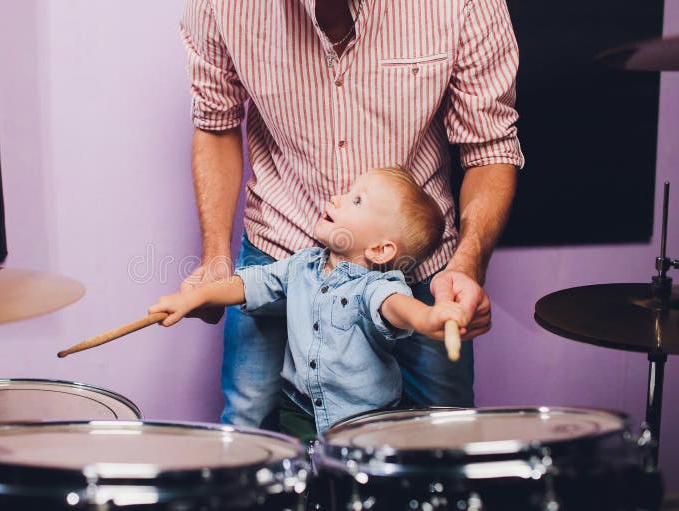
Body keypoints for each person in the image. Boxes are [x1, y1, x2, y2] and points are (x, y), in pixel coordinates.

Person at [179, 0, 524, 428]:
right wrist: (214, 259)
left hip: (422, 269)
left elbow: (489, 148)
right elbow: (216, 123)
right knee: (249, 450)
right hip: (278, 248)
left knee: (442, 451)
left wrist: (468, 264)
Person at [150, 167, 468, 440]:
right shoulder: (301, 266)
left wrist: (428, 318)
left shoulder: (376, 286)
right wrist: (194, 297)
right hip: (299, 411)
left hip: (363, 424)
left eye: (357, 201)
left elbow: (397, 307)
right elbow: (250, 284)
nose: (336, 198)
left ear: (380, 250)